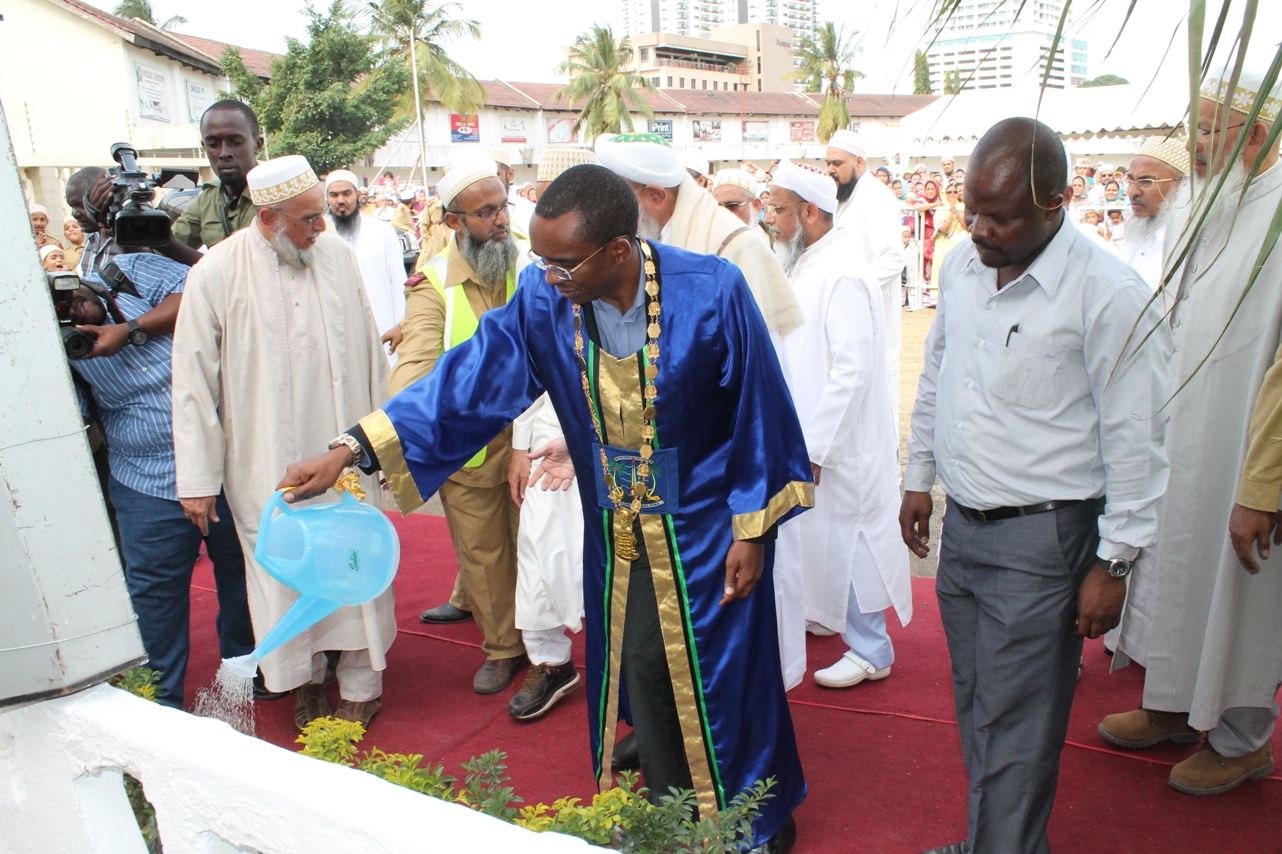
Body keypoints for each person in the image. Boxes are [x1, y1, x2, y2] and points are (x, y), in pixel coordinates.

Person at [276, 163, 812, 854]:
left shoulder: (711, 291)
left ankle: (753, 819)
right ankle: (671, 803)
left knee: (728, 674)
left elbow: (758, 410)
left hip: (710, 529)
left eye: (564, 263)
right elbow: (466, 382)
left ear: (618, 250)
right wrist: (353, 447)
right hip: (616, 529)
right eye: (545, 260)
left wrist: (754, 527)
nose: (548, 275)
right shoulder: (544, 299)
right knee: (641, 666)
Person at [903, 118, 1169, 854]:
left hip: (1044, 539)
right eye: (973, 208)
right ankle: (1004, 844)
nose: (980, 229)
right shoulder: (959, 265)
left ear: (1060, 200)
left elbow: (1138, 438)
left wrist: (1114, 563)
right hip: (966, 530)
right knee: (979, 705)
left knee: (1018, 720)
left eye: (1002, 215)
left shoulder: (1109, 293)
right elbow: (937, 375)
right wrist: (918, 475)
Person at [1103, 59, 1282, 797]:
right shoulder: (1206, 201)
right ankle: (1173, 703)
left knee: (1242, 589)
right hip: (1181, 439)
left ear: (1259, 134)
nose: (1196, 146)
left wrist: (1265, 482)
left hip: (1244, 447)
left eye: (1211, 130)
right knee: (1175, 565)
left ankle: (1242, 738)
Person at [171, 155, 393, 730]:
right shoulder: (216, 271)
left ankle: (362, 682)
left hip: (342, 452)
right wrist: (197, 479)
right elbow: (193, 380)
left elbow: (370, 352)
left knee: (351, 559)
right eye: (307, 219)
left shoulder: (337, 256)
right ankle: (303, 678)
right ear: (268, 218)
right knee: (283, 565)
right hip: (263, 457)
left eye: (321, 215)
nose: (321, 227)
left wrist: (384, 445)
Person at [68, 253, 253, 709]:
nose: (71, 312)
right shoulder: (54, 343)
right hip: (145, 478)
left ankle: (247, 674)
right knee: (153, 595)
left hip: (227, 465)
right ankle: (157, 701)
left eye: (69, 299)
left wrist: (130, 332)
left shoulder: (131, 269)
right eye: (58, 313)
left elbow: (202, 296)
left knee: (245, 574)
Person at [766, 160, 911, 692]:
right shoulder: (804, 263)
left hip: (839, 444)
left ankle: (873, 648)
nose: (770, 220)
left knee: (852, 544)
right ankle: (836, 623)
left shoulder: (844, 270)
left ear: (809, 211)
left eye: (778, 209)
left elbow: (852, 370)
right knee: (825, 542)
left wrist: (818, 447)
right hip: (808, 433)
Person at [396, 152, 530, 696]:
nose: (500, 221)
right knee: (482, 550)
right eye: (485, 213)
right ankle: (504, 648)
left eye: (502, 207)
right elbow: (412, 375)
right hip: (470, 442)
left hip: (533, 437)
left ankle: (544, 640)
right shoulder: (432, 286)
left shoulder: (532, 259)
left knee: (534, 543)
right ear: (453, 221)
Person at [594, 132, 803, 340]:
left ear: (656, 196)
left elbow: (759, 358)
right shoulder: (648, 239)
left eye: (620, 200)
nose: (616, 212)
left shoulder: (735, 248)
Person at [825, 130, 907, 428]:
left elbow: (892, 258)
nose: (831, 169)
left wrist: (854, 290)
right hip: (844, 307)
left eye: (837, 163)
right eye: (828, 163)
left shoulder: (877, 197)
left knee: (879, 384)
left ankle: (885, 470)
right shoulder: (843, 196)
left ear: (859, 162)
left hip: (870, 308)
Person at [324, 169, 407, 363]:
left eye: (346, 193)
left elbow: (398, 282)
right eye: (334, 195)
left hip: (382, 325)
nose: (340, 200)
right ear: (327, 199)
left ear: (357, 196)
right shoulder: (320, 235)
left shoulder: (382, 231)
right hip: (338, 329)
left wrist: (402, 325)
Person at [171, 100, 263, 255]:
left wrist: (167, 244)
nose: (224, 153)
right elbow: (165, 246)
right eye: (213, 144)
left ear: (258, 145)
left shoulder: (276, 194)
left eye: (236, 142)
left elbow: (245, 266)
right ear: (204, 147)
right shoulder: (209, 197)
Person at [1118, 135, 1191, 292]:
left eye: (1146, 182)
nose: (1133, 192)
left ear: (1181, 184)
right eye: (1130, 181)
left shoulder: (1187, 242)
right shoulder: (1134, 233)